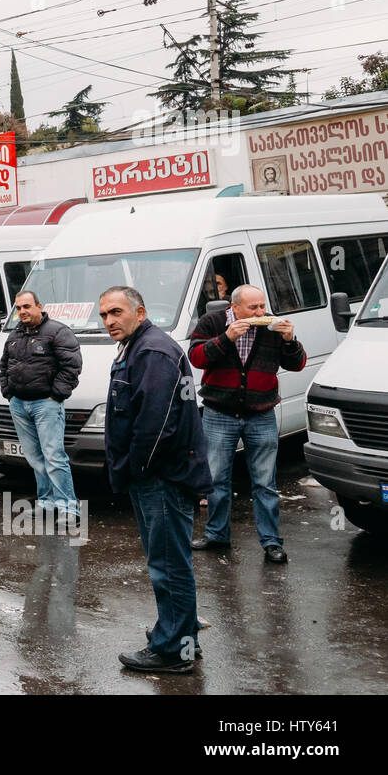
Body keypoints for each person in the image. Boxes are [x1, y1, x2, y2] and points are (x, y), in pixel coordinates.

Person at [99, 285, 212, 674]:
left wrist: (137, 469)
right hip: (157, 479)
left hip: (161, 480)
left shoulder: (151, 352)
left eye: (116, 312)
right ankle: (182, 636)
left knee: (168, 566)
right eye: (104, 315)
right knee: (171, 563)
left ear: (140, 312)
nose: (110, 321)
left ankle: (172, 652)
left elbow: (156, 425)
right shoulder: (139, 347)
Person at [188, 284, 305, 563]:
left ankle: (271, 542)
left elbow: (297, 364)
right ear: (235, 307)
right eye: (253, 308)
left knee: (264, 481)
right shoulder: (212, 322)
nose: (261, 312)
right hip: (219, 412)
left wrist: (290, 340)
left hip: (261, 412)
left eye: (262, 306)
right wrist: (226, 338)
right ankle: (217, 535)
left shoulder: (273, 326)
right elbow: (196, 358)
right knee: (216, 479)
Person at [0, 291, 83, 518]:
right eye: (18, 308)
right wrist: (8, 393)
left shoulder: (57, 331)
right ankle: (47, 503)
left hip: (45, 405)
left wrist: (55, 395)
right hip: (19, 404)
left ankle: (68, 508)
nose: (22, 312)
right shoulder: (15, 334)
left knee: (54, 457)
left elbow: (72, 366)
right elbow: (5, 364)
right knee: (35, 458)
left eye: (26, 306)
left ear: (39, 306)